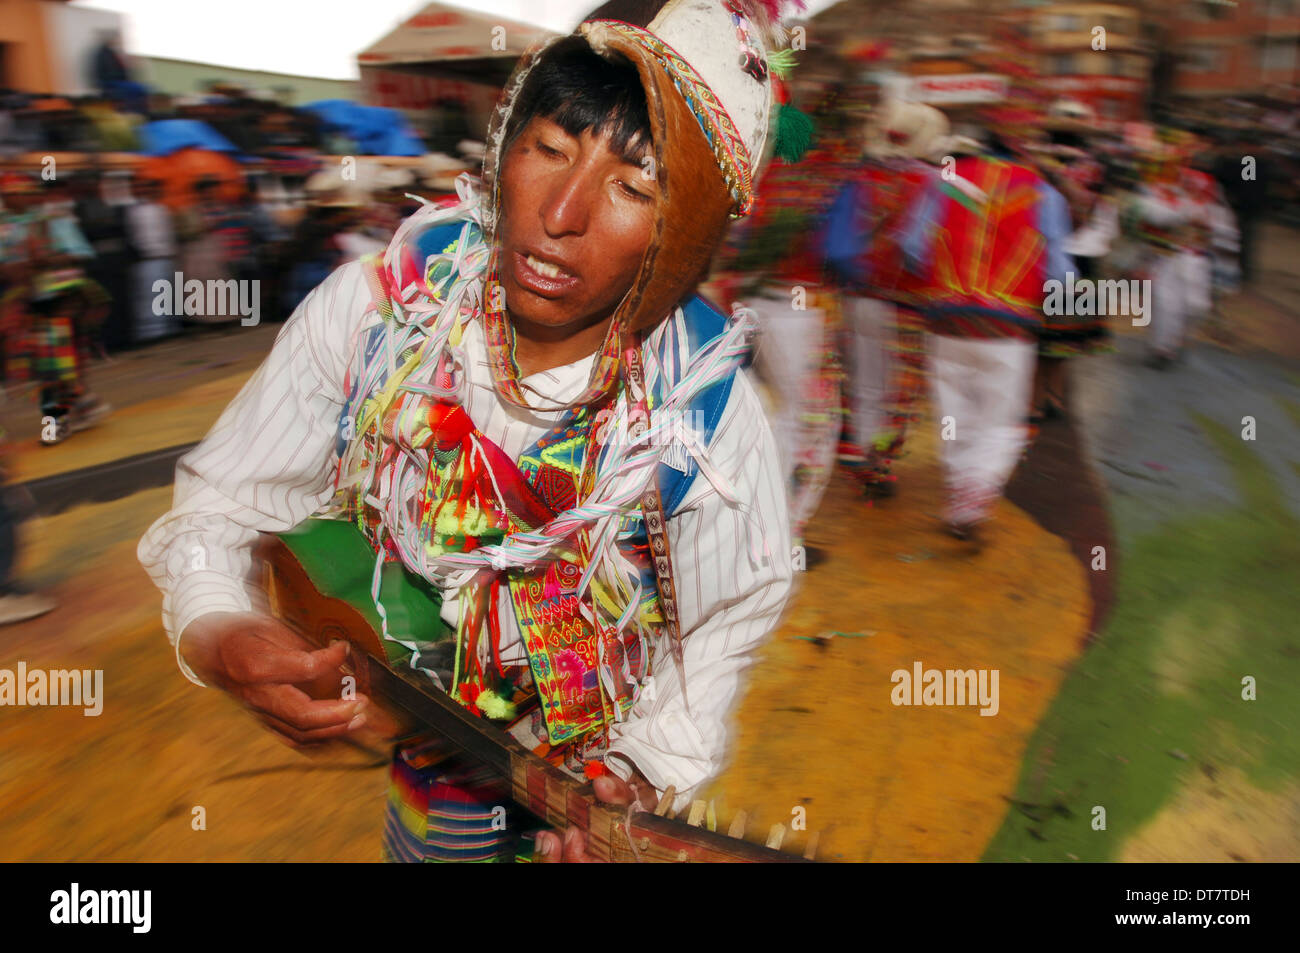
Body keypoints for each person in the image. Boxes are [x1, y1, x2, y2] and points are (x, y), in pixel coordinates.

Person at [139, 0, 797, 863]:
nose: (560, 212)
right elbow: (223, 502)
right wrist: (218, 625)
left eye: (636, 186)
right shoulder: (383, 311)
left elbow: (729, 615)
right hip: (432, 771)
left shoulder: (704, 415)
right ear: (504, 142)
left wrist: (641, 766)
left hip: (585, 783)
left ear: (688, 238)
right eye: (550, 147)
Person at [896, 131, 1073, 544]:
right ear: (1019, 151)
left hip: (946, 322)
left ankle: (962, 494)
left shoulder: (943, 181)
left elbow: (912, 249)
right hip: (1008, 329)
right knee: (1002, 420)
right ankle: (974, 495)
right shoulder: (1043, 193)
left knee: (954, 415)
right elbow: (1062, 276)